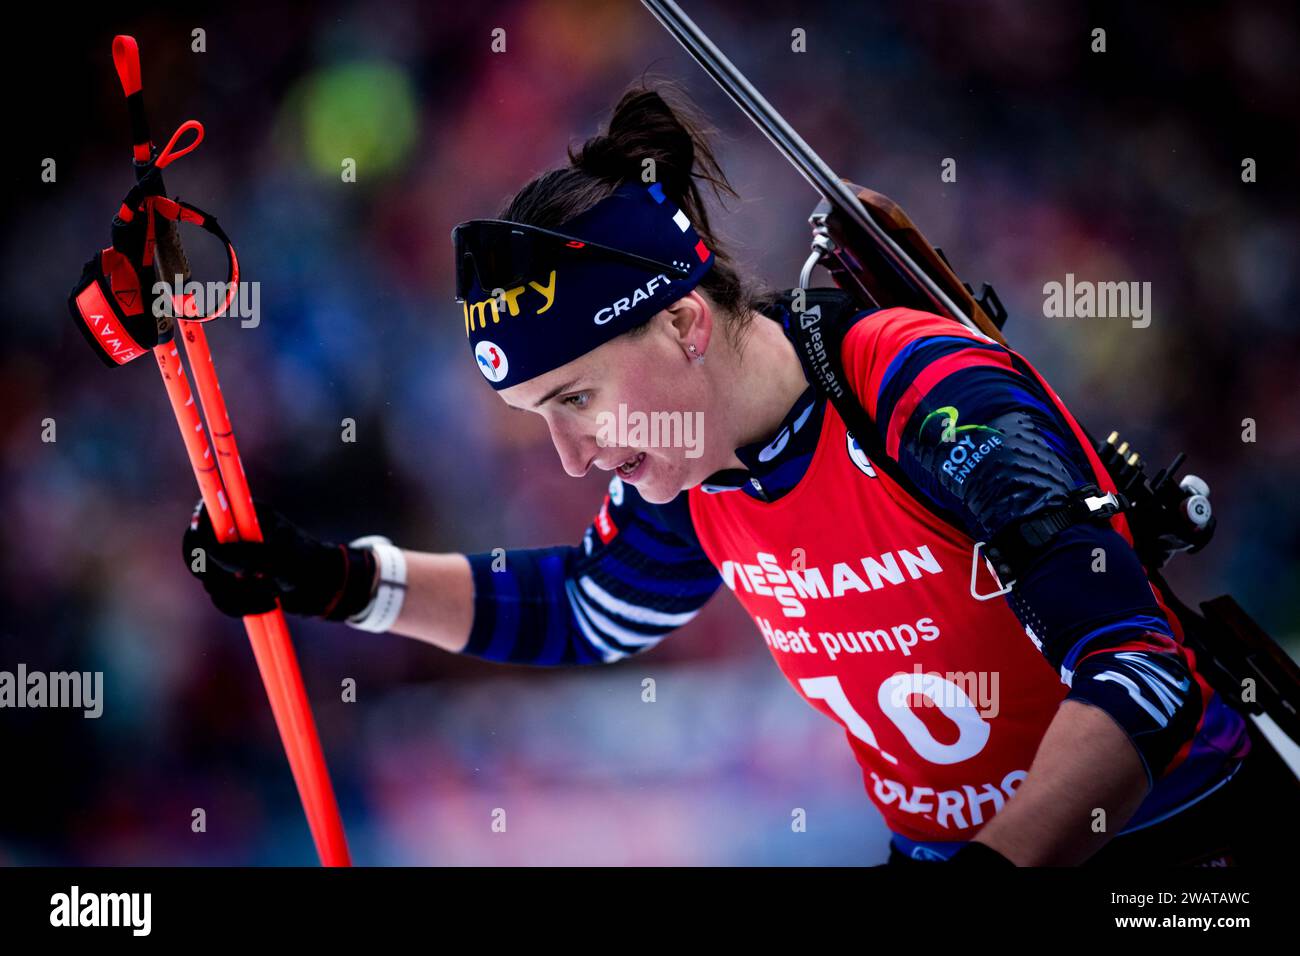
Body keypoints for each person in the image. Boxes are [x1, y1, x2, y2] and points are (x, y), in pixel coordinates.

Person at [182, 83, 1296, 866]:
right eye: (537, 419)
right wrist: (332, 579)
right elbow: (587, 610)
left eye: (575, 398)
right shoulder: (693, 467)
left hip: (1177, 847)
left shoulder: (918, 391)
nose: (571, 457)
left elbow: (1137, 679)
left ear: (682, 325)